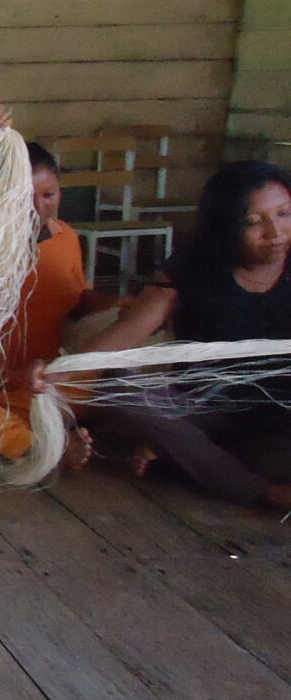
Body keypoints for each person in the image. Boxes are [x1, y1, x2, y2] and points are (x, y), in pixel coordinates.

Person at [73, 160, 291, 510]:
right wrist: (59, 369)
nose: (275, 231)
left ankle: (180, 461)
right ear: (225, 225)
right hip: (200, 408)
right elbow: (129, 330)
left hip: (278, 422)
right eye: (253, 222)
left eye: (284, 214)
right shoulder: (191, 267)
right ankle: (261, 491)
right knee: (117, 390)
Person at [0, 141, 113, 465]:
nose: (38, 207)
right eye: (24, 198)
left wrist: (116, 305)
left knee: (100, 380)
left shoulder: (66, 238)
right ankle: (40, 448)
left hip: (42, 377)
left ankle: (22, 427)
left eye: (48, 195)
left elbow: (78, 297)